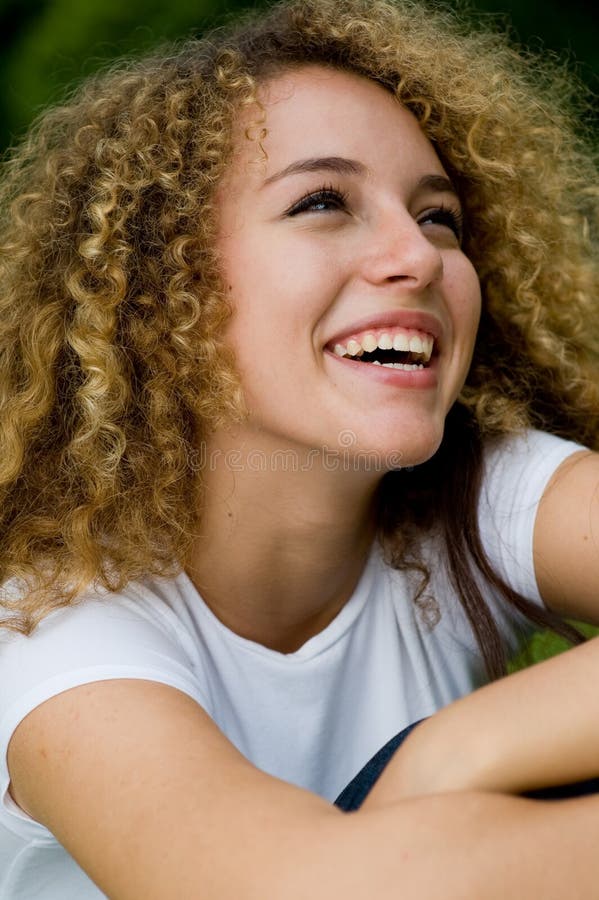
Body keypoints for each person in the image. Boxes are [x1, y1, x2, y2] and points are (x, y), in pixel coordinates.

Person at [0, 0, 598, 896]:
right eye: (322, 202)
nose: (418, 256)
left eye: (441, 219)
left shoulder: (478, 496)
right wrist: (438, 765)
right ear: (160, 292)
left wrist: (453, 753)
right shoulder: (51, 627)